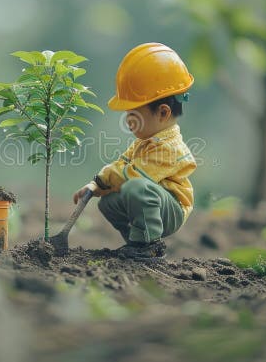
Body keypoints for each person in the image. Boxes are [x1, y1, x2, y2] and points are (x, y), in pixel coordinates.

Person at [73, 43, 197, 259]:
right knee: (109, 202)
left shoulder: (169, 148)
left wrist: (103, 180)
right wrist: (96, 186)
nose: (128, 122)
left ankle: (149, 244)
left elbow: (134, 174)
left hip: (170, 209)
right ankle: (136, 242)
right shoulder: (146, 141)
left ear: (162, 113)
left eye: (133, 114)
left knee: (135, 187)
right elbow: (123, 163)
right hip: (152, 201)